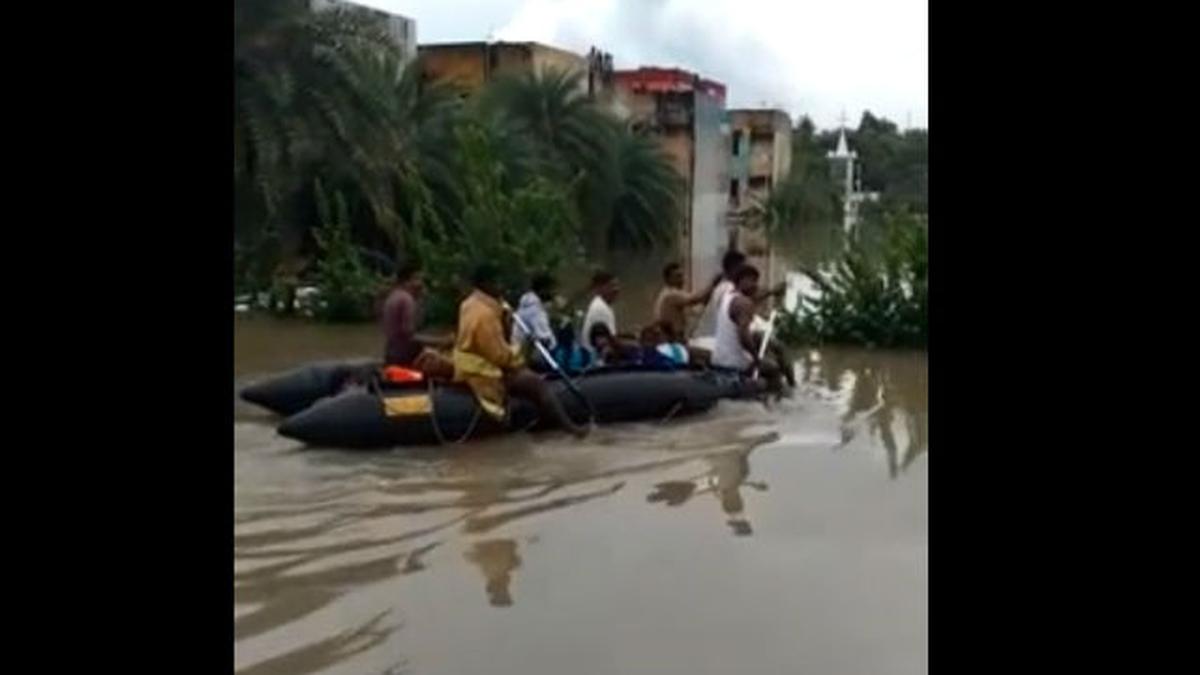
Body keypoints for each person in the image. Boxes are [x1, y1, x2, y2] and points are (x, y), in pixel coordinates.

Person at [453, 263, 589, 437]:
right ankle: (572, 428)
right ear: (486, 284)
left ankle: (539, 425)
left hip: (470, 363)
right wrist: (522, 353)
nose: (501, 286)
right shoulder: (485, 314)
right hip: (484, 371)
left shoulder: (469, 304)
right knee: (537, 384)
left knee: (530, 369)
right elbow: (500, 356)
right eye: (498, 282)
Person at [712, 264, 784, 391]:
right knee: (774, 369)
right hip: (735, 363)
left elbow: (755, 298)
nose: (755, 285)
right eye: (752, 281)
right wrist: (756, 358)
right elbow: (743, 337)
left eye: (756, 281)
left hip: (718, 359)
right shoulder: (744, 303)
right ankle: (773, 402)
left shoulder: (727, 296)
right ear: (741, 280)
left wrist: (772, 292)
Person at [380, 261, 453, 379]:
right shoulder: (406, 300)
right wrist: (441, 341)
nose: (421, 284)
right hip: (405, 358)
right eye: (418, 279)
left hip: (391, 354)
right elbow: (410, 337)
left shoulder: (392, 297)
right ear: (408, 280)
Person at [654, 262, 721, 340]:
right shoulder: (670, 295)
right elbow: (697, 298)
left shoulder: (674, 296)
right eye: (678, 276)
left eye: (682, 276)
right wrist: (713, 283)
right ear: (668, 279)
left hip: (676, 337)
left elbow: (697, 309)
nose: (682, 279)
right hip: (672, 339)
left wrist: (708, 294)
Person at [510, 272, 558, 352]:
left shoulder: (525, 305)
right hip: (526, 355)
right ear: (543, 289)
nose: (553, 293)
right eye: (551, 290)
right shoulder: (536, 311)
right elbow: (545, 338)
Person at [581, 270, 620, 352]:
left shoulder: (604, 305)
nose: (616, 289)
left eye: (617, 285)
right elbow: (607, 342)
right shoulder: (600, 308)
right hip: (596, 356)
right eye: (611, 286)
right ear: (599, 288)